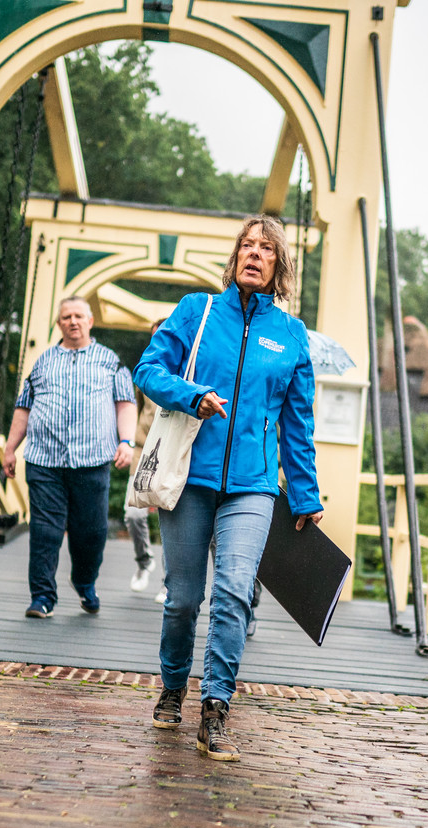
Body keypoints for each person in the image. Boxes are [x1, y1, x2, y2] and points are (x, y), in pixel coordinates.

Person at [134, 215, 322, 762]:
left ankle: (216, 709)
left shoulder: (290, 335)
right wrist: (192, 395)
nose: (254, 254)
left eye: (266, 248)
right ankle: (173, 685)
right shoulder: (197, 312)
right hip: (190, 476)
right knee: (184, 598)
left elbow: (297, 424)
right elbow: (148, 370)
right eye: (247, 245)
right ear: (234, 256)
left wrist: (305, 495)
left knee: (235, 591)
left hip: (253, 487)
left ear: (279, 266)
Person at [3, 296, 136, 619]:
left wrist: (126, 441)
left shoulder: (110, 361)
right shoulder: (43, 362)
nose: (72, 321)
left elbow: (125, 403)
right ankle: (42, 597)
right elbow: (24, 407)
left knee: (89, 533)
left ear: (90, 321)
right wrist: (10, 448)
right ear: (59, 323)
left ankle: (85, 581)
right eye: (66, 317)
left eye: (78, 316)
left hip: (92, 461)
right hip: (44, 460)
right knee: (45, 531)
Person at [125, 319, 167, 596]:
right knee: (133, 515)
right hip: (143, 451)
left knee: (171, 522)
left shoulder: (191, 370)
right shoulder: (145, 371)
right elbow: (136, 410)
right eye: (155, 337)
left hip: (172, 453)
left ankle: (169, 581)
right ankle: (144, 562)